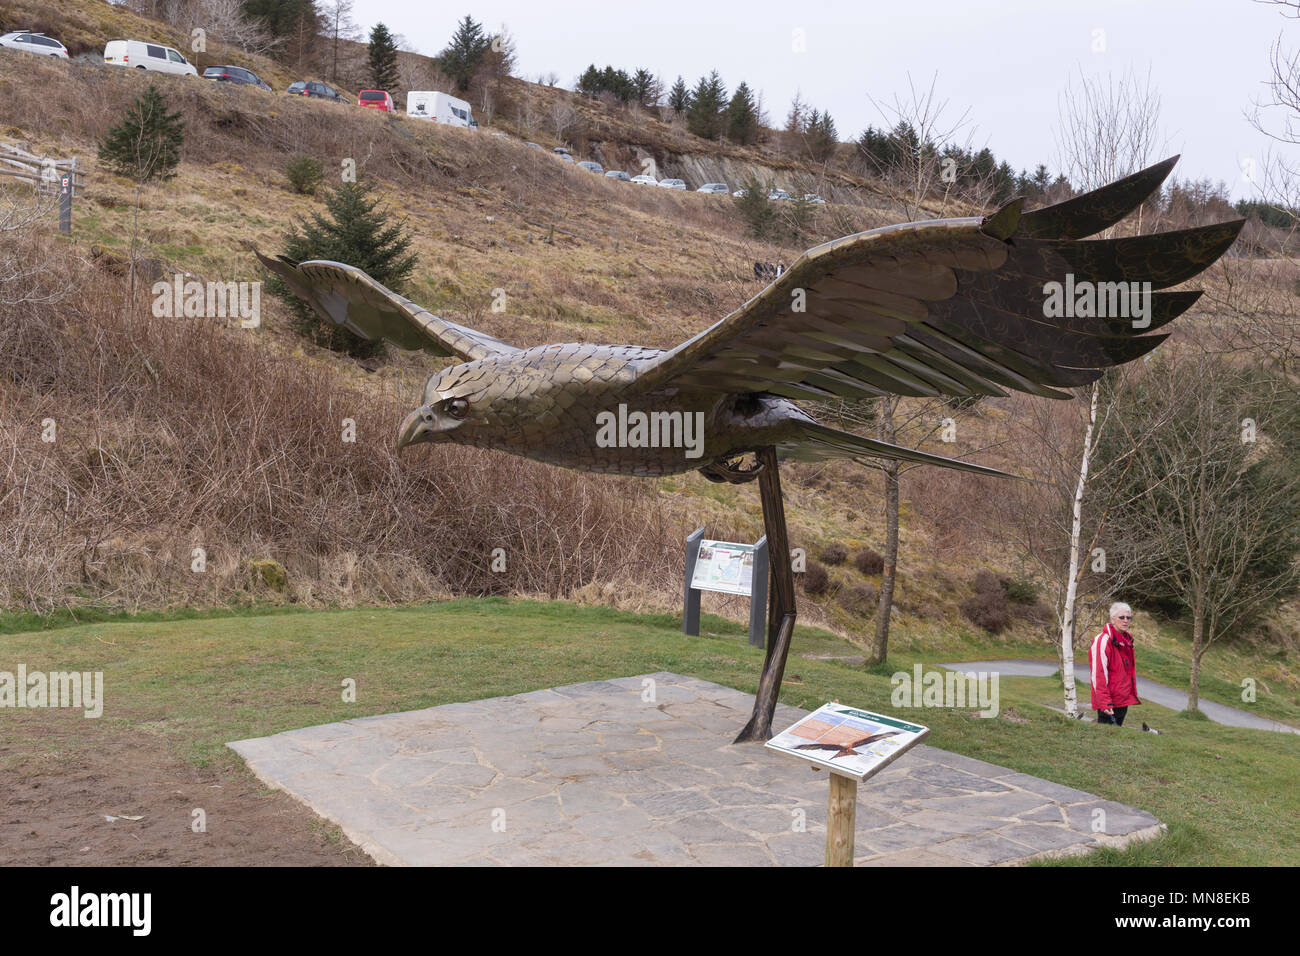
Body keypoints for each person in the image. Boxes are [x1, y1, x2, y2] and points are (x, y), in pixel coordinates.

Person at [1089, 602, 1141, 726]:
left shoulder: (1127, 641)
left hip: (1123, 701)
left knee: (1117, 739)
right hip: (1109, 703)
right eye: (1121, 617)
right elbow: (1098, 675)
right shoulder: (1102, 641)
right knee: (1105, 740)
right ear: (1112, 619)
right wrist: (1105, 702)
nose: (1125, 621)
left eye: (1128, 618)